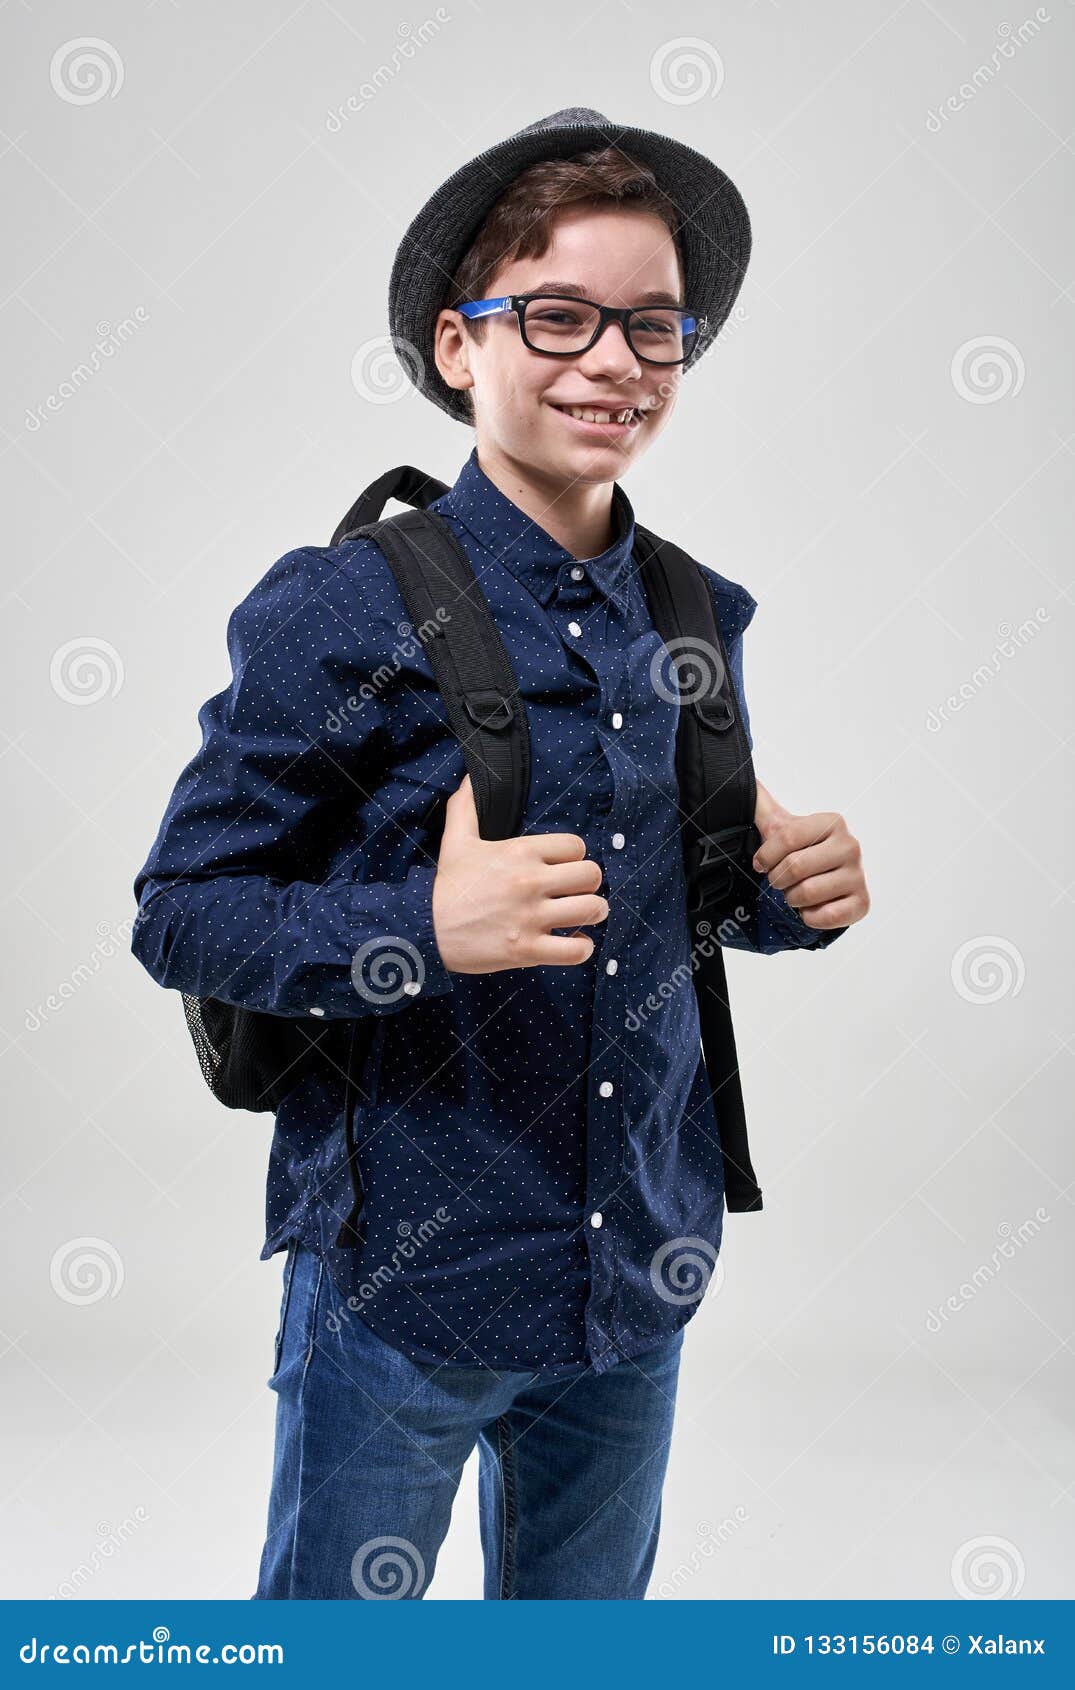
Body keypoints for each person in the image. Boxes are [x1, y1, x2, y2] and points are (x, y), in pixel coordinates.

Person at [130, 108, 870, 1601]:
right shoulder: (339, 609)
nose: (614, 362)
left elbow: (685, 887)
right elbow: (182, 912)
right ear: (456, 348)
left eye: (653, 328)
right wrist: (424, 919)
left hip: (634, 1276)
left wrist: (788, 893)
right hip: (406, 1278)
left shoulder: (694, 613)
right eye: (558, 316)